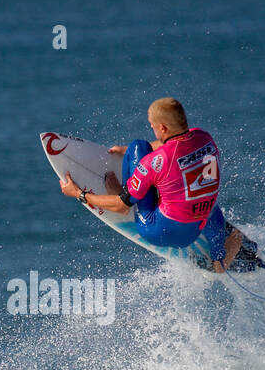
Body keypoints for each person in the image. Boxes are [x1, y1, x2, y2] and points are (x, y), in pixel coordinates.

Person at [59, 98, 244, 272]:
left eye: (152, 125)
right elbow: (173, 143)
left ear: (162, 127)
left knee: (138, 146)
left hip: (157, 230)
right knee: (207, 203)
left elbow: (120, 204)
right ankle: (219, 258)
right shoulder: (204, 138)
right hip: (194, 231)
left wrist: (78, 194)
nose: (152, 128)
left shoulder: (155, 162)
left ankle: (123, 191)